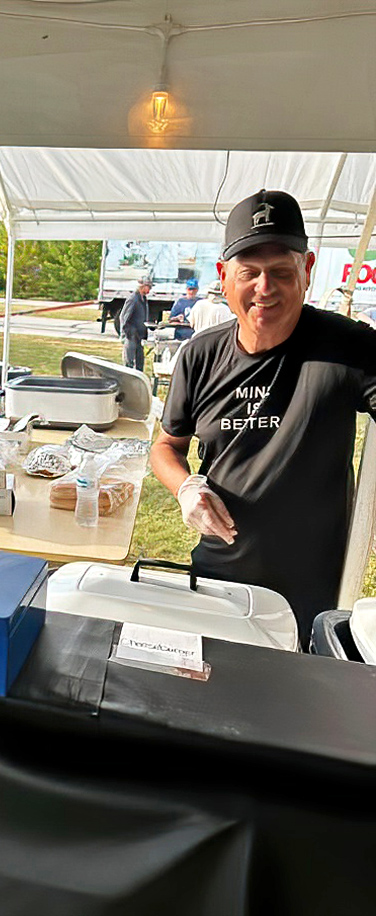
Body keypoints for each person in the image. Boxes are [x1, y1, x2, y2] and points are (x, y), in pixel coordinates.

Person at [150, 189, 376, 649]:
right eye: (249, 273)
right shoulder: (200, 355)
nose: (265, 289)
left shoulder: (348, 348)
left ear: (308, 270)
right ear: (224, 277)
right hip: (217, 578)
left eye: (281, 272)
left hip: (310, 590)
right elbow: (166, 446)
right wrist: (186, 488)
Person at [119, 275, 152, 371]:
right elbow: (124, 317)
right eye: (148, 286)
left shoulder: (143, 299)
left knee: (140, 362)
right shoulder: (133, 298)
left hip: (140, 336)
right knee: (129, 363)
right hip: (131, 336)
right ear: (142, 286)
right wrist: (128, 333)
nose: (149, 289)